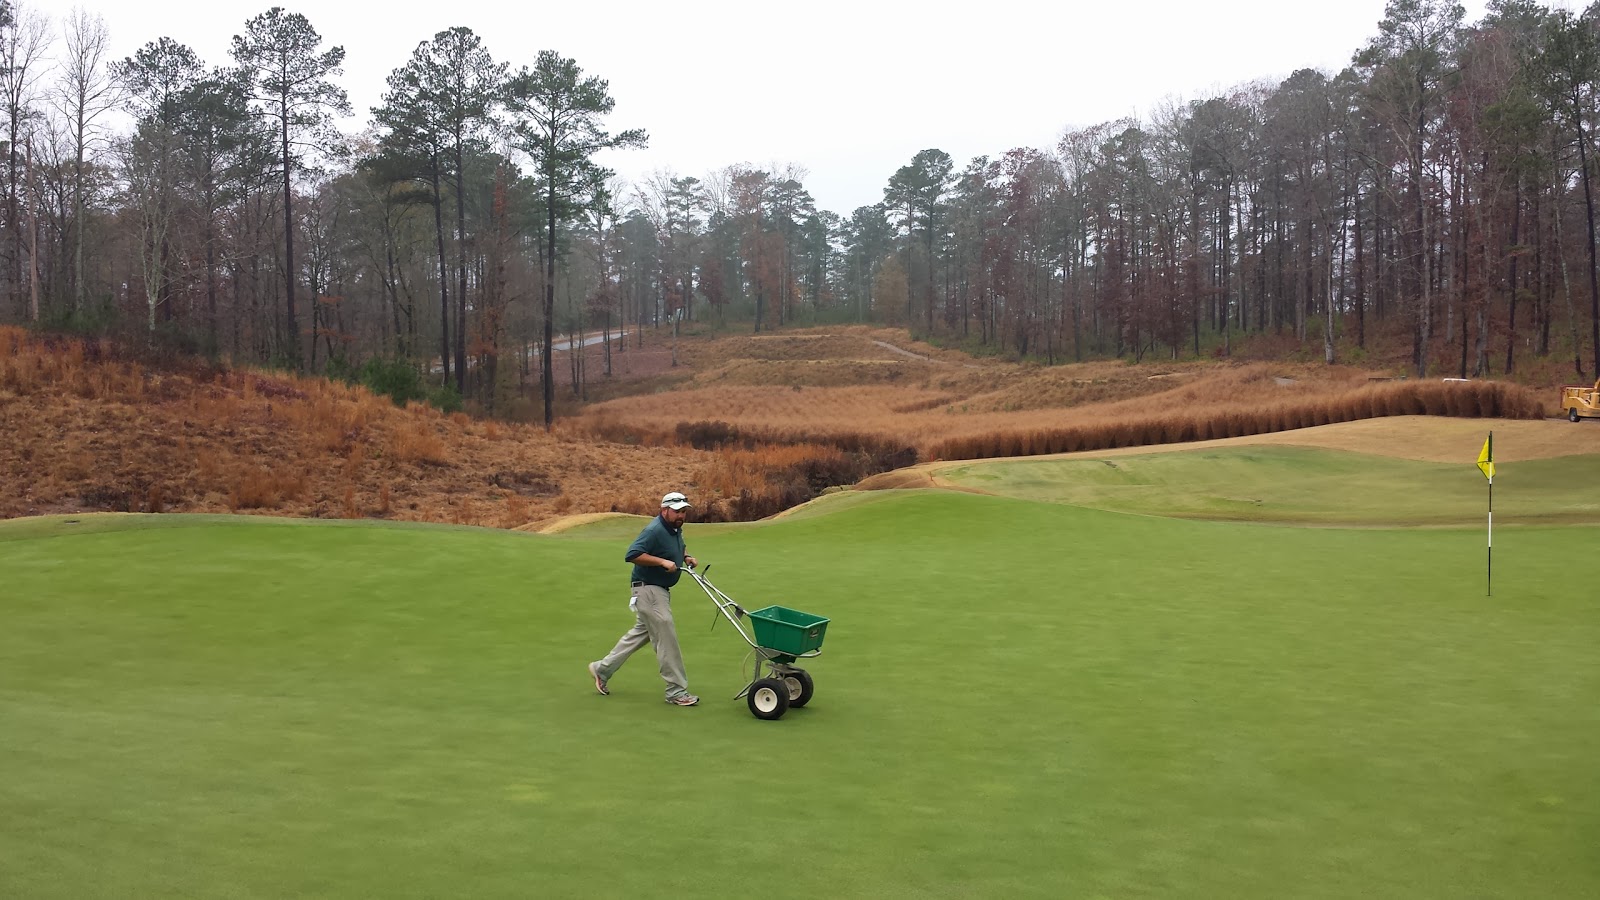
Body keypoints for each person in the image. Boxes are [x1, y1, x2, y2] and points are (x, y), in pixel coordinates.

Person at [588, 491, 700, 706]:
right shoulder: (654, 529)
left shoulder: (674, 528)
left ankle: (602, 669)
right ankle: (676, 691)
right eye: (677, 511)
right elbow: (632, 554)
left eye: (684, 511)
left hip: (658, 591)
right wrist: (661, 562)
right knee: (665, 631)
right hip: (648, 589)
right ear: (664, 510)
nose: (681, 515)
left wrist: (685, 557)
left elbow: (678, 546)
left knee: (641, 634)